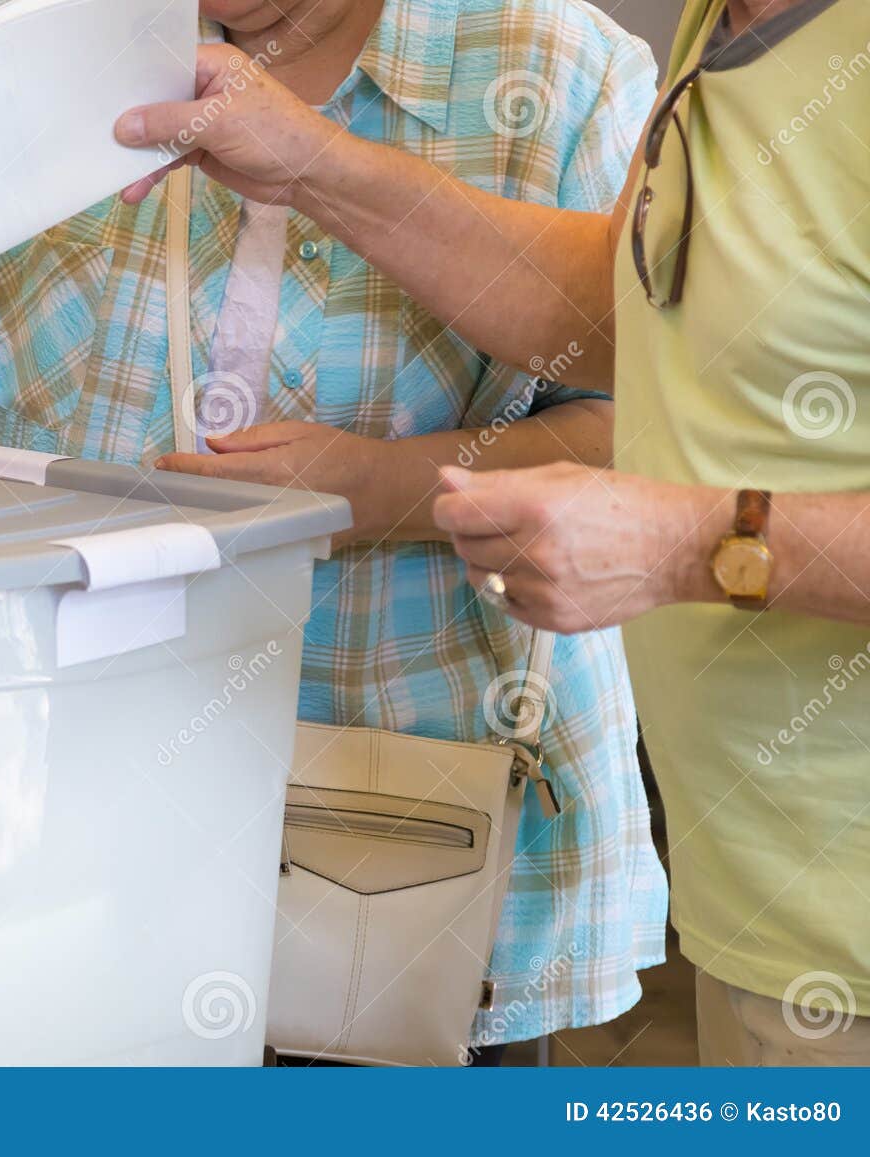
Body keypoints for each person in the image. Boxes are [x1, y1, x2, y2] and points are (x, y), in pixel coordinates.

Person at [0, 0, 669, 1056]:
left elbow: (647, 427)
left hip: (401, 824)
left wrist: (381, 490)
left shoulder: (556, 71)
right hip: (58, 798)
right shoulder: (61, 37)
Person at [133, 0, 866, 1064]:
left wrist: (682, 543)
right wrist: (312, 165)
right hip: (761, 906)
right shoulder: (728, 21)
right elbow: (615, 306)